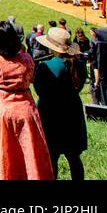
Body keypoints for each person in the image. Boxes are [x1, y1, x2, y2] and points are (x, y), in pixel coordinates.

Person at [0, 22, 54, 180]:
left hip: (1, 110)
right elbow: (31, 78)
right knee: (29, 152)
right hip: (26, 109)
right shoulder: (26, 58)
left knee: (2, 152)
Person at [33, 26, 88, 180]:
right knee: (74, 157)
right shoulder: (79, 65)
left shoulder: (45, 66)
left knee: (52, 156)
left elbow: (39, 90)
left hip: (51, 115)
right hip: (72, 113)